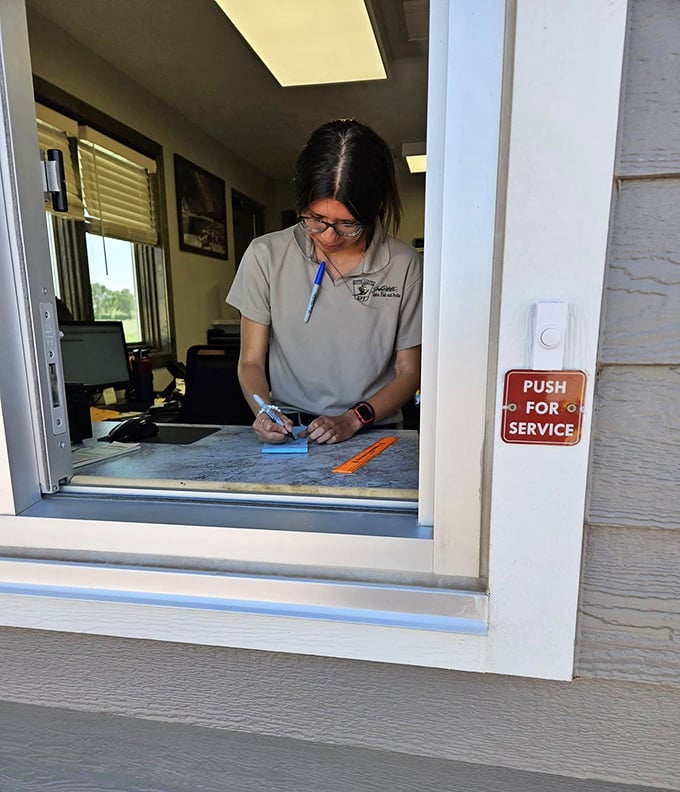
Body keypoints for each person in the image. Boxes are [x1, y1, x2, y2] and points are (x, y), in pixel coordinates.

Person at [226, 119, 422, 444]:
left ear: (374, 209)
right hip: (293, 431)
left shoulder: (403, 263)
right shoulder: (265, 255)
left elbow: (409, 371)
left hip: (374, 429)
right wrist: (265, 411)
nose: (330, 237)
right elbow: (250, 361)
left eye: (348, 224)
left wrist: (353, 419)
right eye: (316, 220)